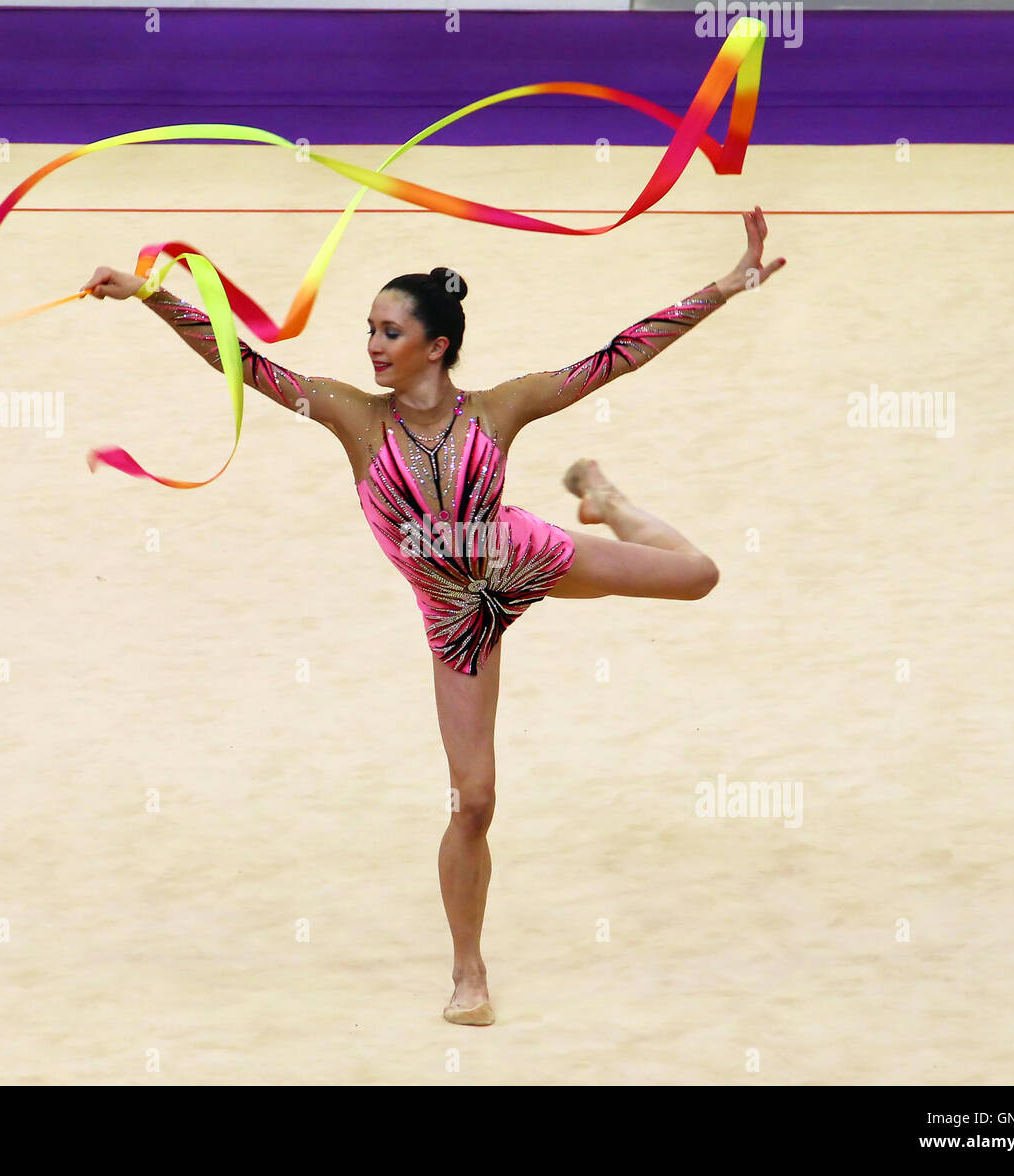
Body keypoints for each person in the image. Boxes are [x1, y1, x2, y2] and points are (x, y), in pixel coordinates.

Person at [84, 205, 785, 1026]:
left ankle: (607, 498)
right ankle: (468, 971)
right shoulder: (354, 417)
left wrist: (728, 286)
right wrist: (150, 294)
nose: (372, 346)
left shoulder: (499, 409)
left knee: (699, 575)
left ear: (436, 345)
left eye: (388, 331)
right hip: (459, 619)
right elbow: (243, 362)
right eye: (369, 330)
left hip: (522, 556)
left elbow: (617, 357)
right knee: (475, 800)